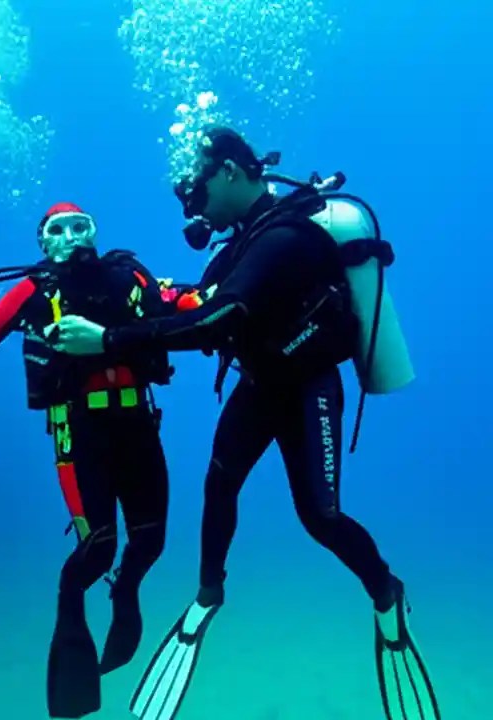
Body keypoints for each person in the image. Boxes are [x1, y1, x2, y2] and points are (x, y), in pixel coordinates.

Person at [51, 127, 437, 720]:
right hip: (260, 386)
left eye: (199, 183)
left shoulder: (284, 237)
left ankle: (387, 593)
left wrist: (109, 338)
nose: (193, 200)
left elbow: (219, 320)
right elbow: (195, 304)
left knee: (321, 517)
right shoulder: (240, 247)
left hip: (307, 388)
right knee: (219, 483)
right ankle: (209, 593)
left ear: (231, 171)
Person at [0, 202, 182, 719]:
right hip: (80, 434)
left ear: (95, 231)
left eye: (81, 226)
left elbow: (175, 302)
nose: (72, 235)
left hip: (138, 426)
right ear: (43, 243)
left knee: (151, 537)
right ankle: (72, 609)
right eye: (59, 229)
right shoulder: (36, 290)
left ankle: (126, 592)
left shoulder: (130, 276)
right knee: (97, 546)